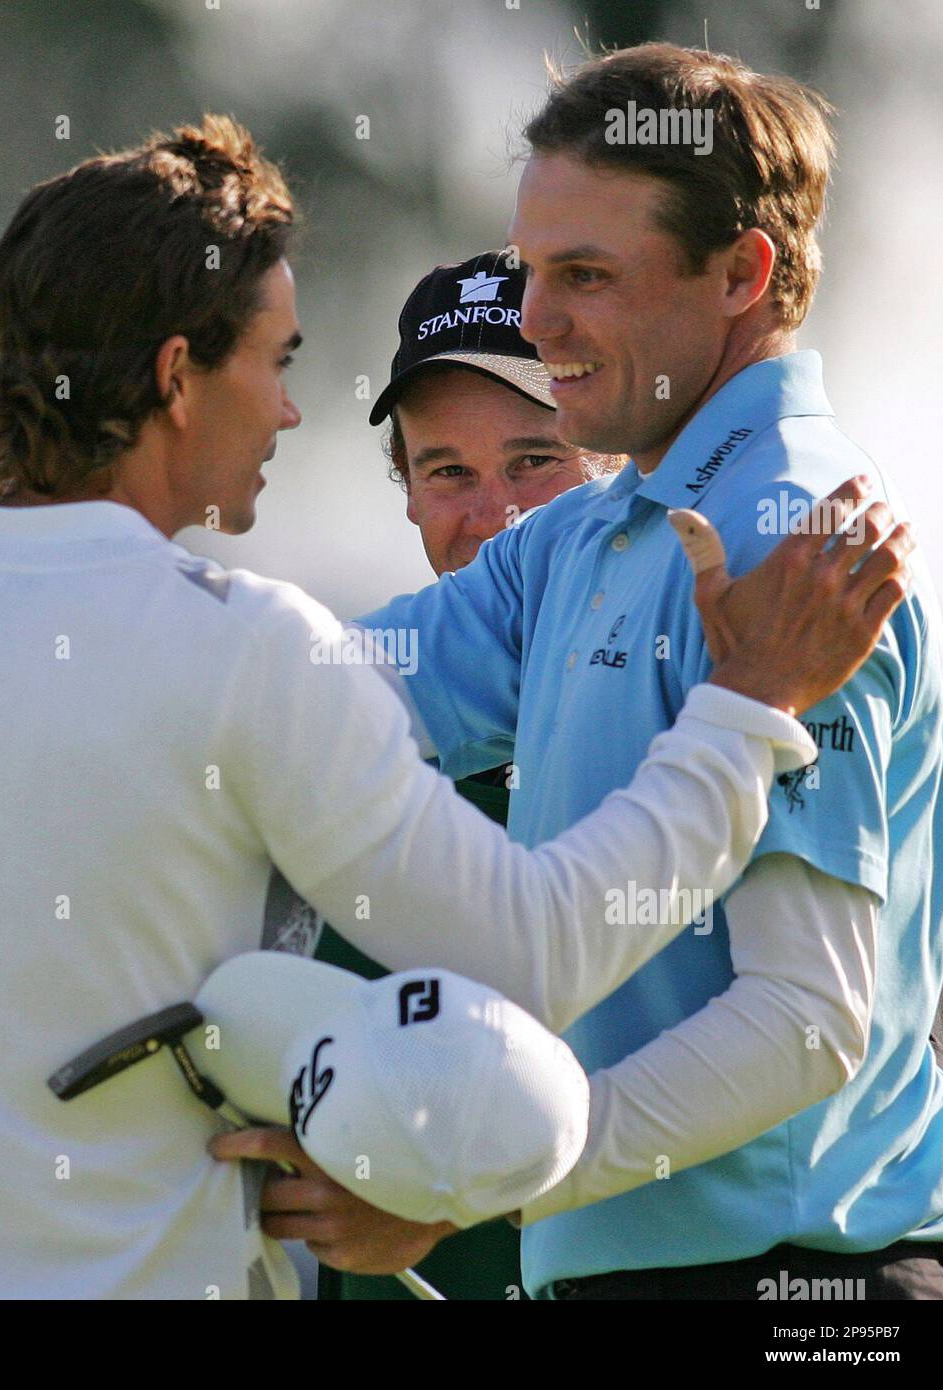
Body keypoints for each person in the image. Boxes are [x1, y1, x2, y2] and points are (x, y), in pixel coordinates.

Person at [0, 115, 908, 1300]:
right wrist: (746, 704)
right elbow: (535, 947)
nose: (289, 413)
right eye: (276, 362)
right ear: (176, 378)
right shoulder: (247, 648)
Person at [256, 43, 943, 1300]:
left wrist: (480, 1176)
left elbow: (803, 1022)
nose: (535, 321)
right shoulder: (588, 531)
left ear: (741, 273)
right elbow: (292, 701)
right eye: (529, 271)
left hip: (799, 1290)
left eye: (584, 275)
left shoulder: (792, 537)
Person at [314, 250, 622, 1299]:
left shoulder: (715, 711)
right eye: (446, 471)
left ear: (614, 475)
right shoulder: (324, 749)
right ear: (403, 494)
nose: (495, 517)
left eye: (536, 458)